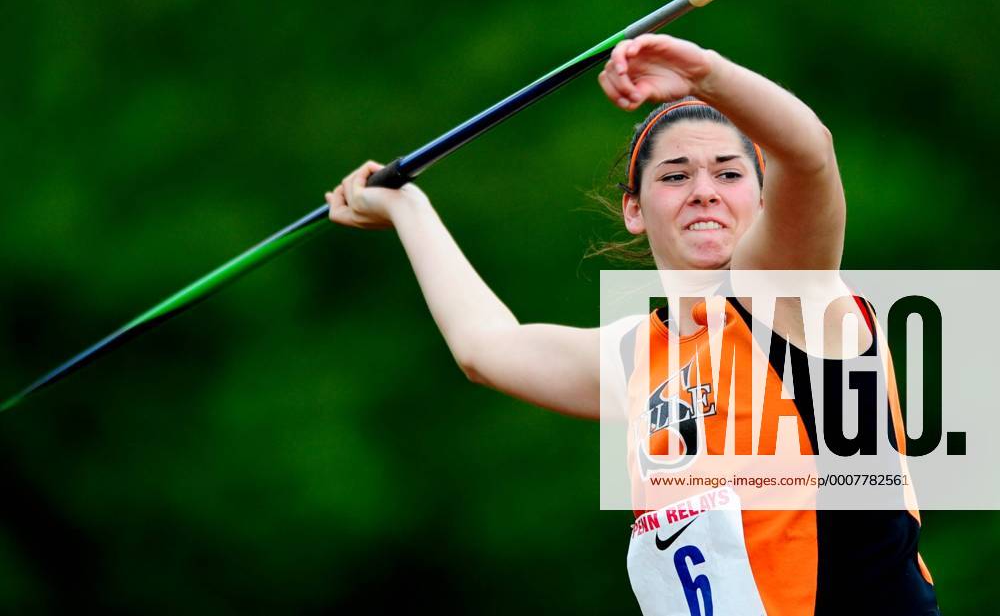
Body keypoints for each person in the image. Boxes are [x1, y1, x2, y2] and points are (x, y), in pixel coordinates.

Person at [324, 33, 940, 615]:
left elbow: (810, 154)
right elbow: (486, 347)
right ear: (635, 210)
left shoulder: (788, 299)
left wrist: (706, 73)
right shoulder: (640, 354)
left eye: (729, 173)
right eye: (675, 176)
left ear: (762, 199)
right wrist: (408, 207)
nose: (704, 191)